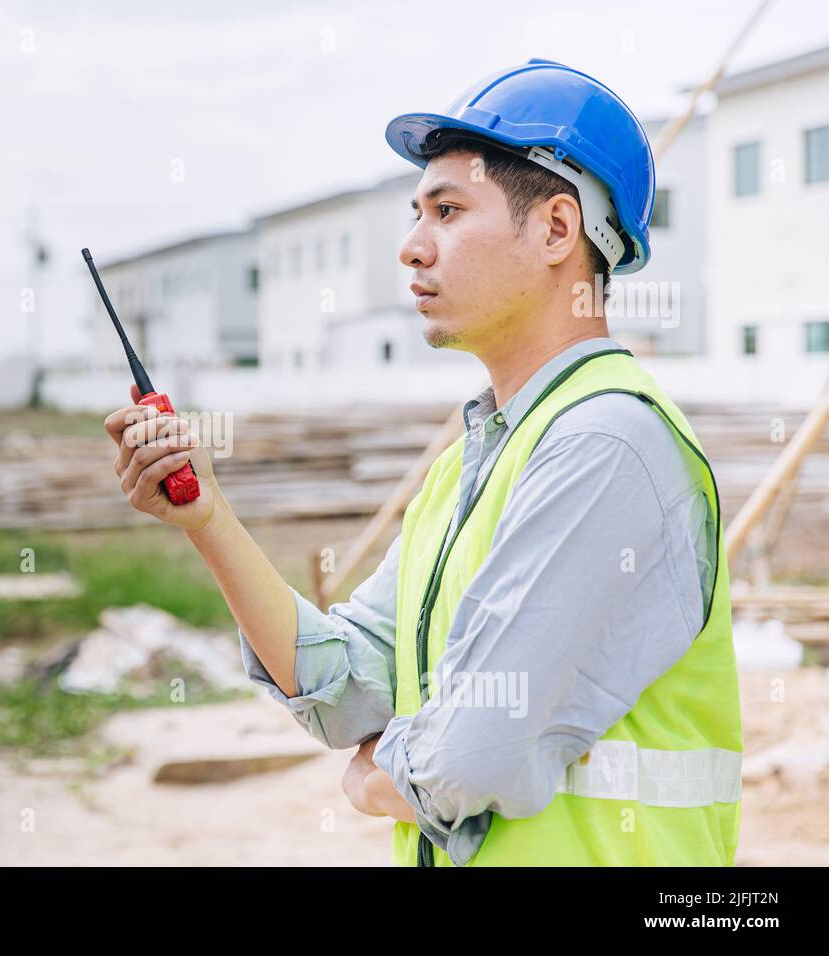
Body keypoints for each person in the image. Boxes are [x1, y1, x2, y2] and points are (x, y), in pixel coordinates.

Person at [103, 58, 742, 866]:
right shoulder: (470, 467)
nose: (411, 248)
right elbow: (345, 689)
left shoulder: (606, 444)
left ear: (554, 230)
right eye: (417, 213)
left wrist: (383, 778)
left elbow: (474, 753)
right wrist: (207, 519)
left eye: (447, 210)